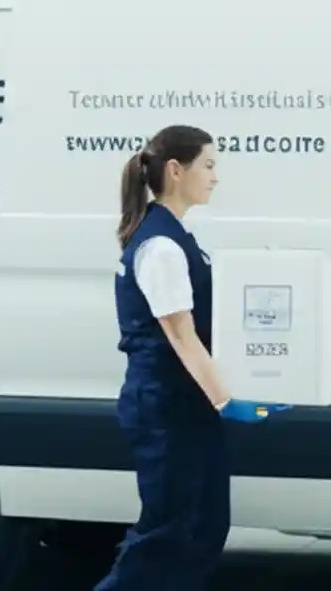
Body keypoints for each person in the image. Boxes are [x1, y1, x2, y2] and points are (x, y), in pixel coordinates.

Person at [95, 124, 291, 591]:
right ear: (176, 170)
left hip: (185, 405)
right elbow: (181, 335)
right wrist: (228, 401)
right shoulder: (161, 246)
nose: (216, 176)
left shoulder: (178, 237)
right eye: (209, 164)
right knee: (166, 535)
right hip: (165, 407)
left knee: (203, 528)